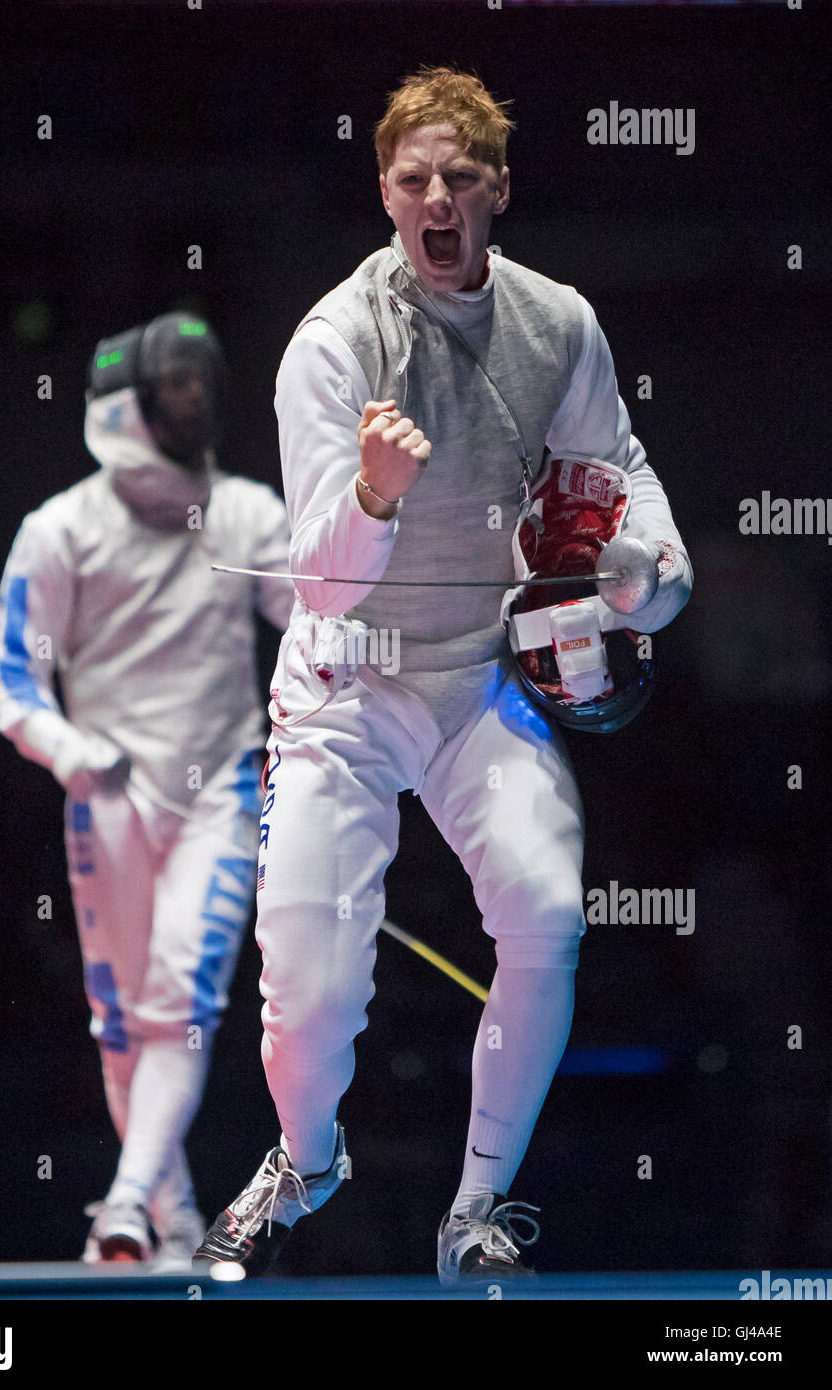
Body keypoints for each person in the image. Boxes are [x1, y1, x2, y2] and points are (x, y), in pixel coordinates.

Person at [194, 66, 693, 1288]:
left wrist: (641, 573)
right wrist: (371, 492)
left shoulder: (557, 325)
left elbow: (628, 487)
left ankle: (474, 1214)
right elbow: (316, 586)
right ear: (383, 192)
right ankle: (305, 1162)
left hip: (482, 681)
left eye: (458, 178)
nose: (436, 197)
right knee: (309, 991)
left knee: (548, 915)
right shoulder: (331, 341)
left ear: (496, 191)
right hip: (345, 689)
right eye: (412, 178)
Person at [0, 312, 294, 1266]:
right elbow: (10, 678)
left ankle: (121, 1205)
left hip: (220, 799)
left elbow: (323, 637)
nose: (195, 402)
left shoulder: (247, 517)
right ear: (132, 406)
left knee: (178, 1005)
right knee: (122, 1026)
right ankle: (177, 1221)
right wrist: (72, 751)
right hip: (109, 801)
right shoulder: (60, 530)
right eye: (176, 388)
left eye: (204, 386)